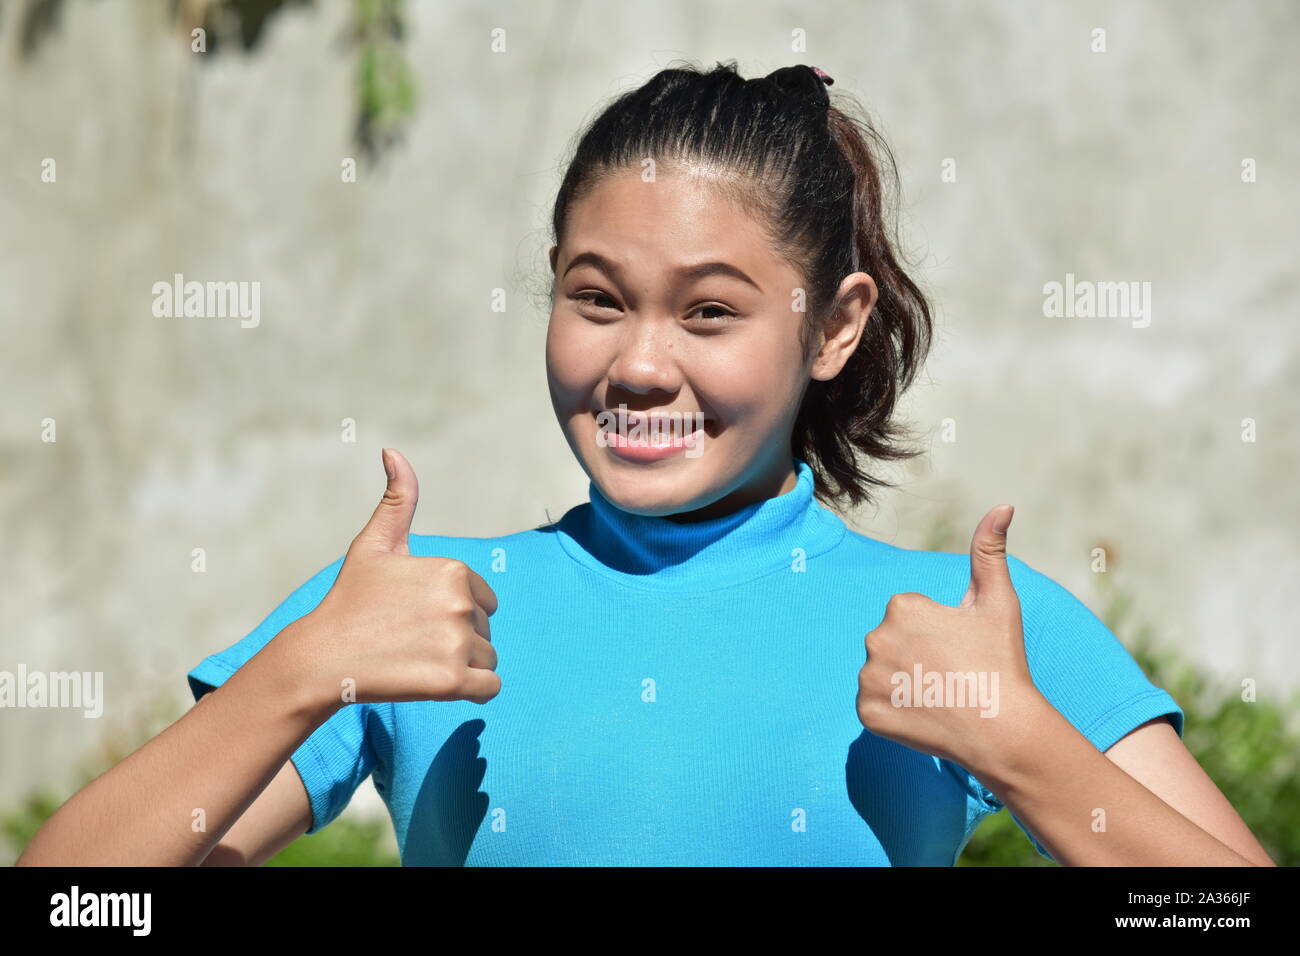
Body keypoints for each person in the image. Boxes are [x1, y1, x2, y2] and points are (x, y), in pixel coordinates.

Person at [18, 61, 1274, 867]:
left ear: (832, 326)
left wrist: (1024, 747)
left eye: (711, 312)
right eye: (596, 297)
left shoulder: (966, 631)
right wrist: (291, 680)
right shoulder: (409, 612)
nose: (638, 364)